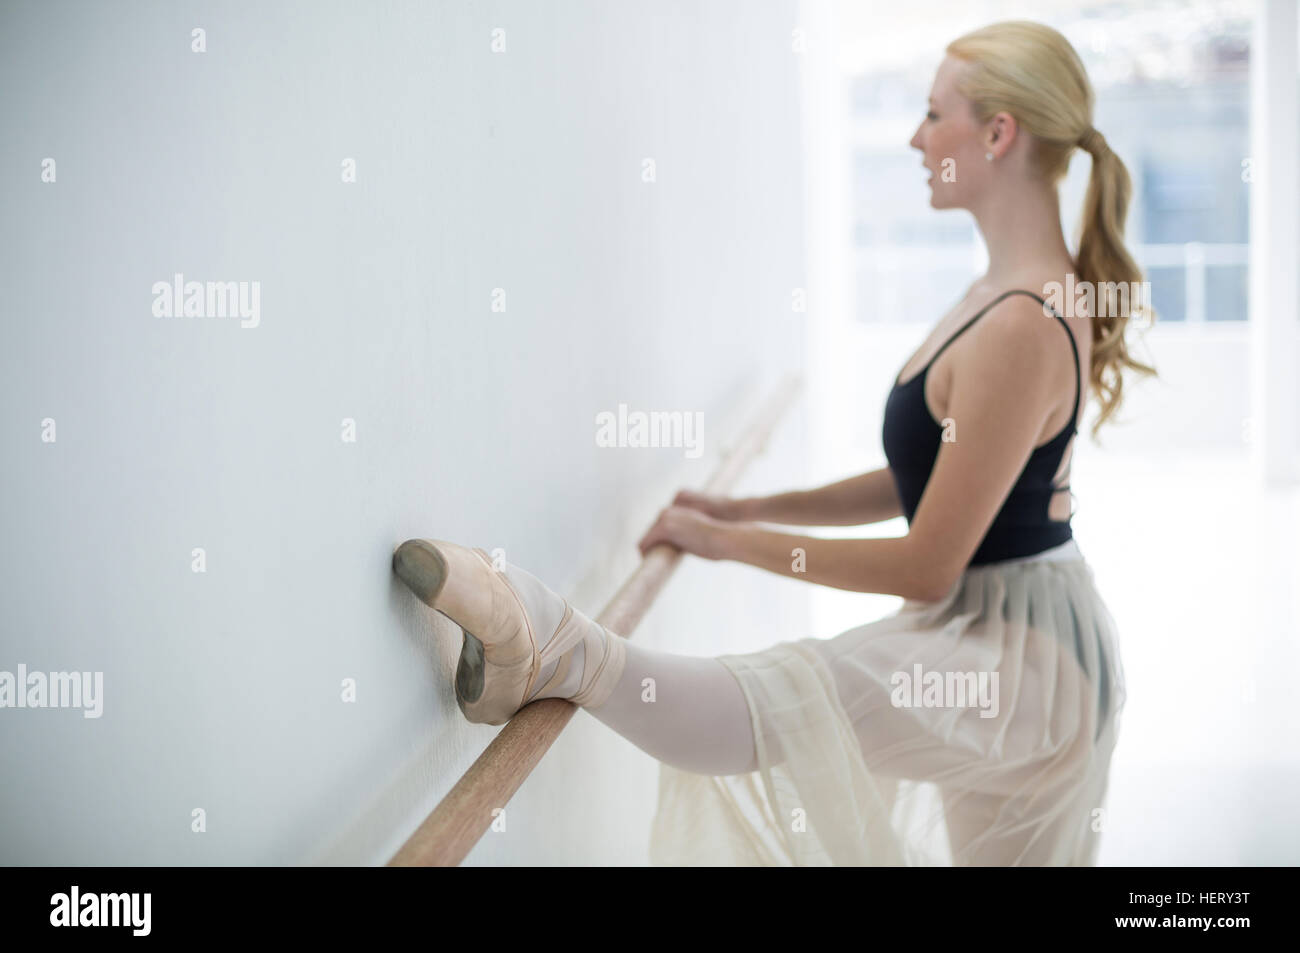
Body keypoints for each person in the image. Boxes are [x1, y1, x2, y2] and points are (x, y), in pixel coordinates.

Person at [392, 19, 1157, 866]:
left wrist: (731, 542)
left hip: (1024, 652)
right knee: (794, 700)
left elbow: (926, 562)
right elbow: (935, 476)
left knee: (788, 699)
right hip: (1004, 621)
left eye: (933, 113)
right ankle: (550, 643)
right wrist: (743, 506)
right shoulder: (1009, 290)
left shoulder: (1022, 317)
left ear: (999, 133)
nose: (915, 136)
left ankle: (549, 640)